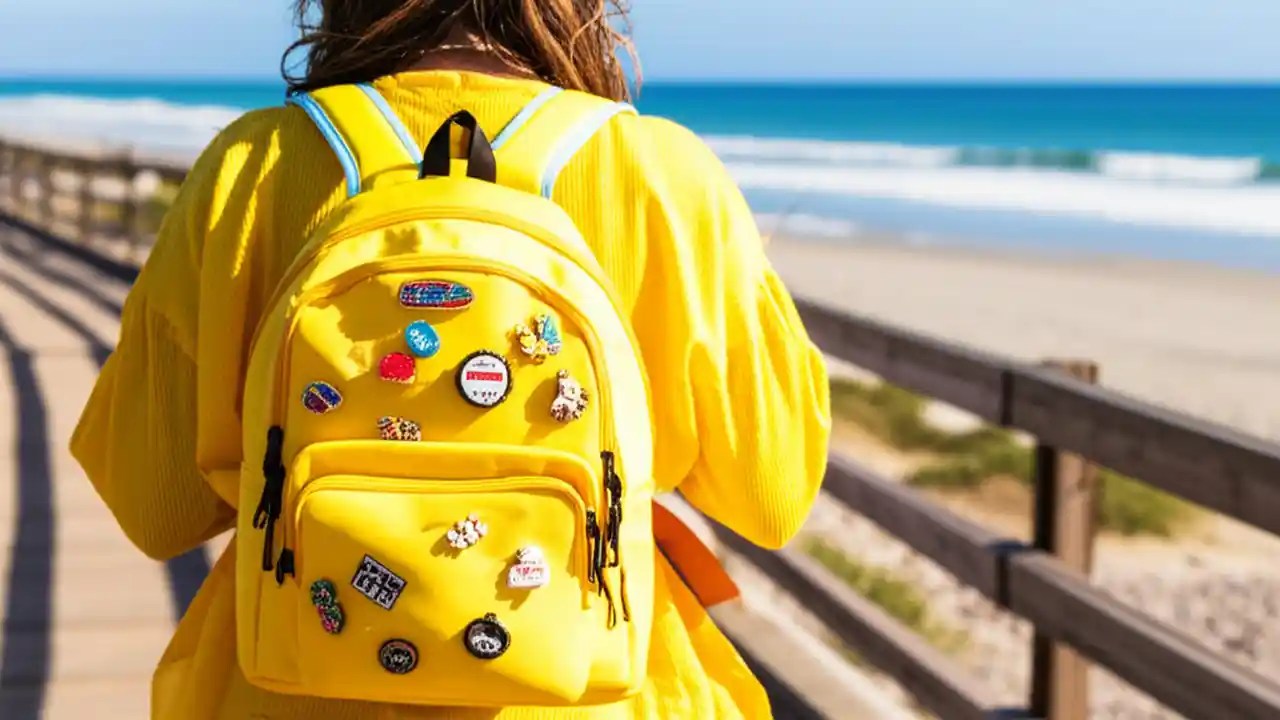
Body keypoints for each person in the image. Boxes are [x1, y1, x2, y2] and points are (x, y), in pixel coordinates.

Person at [71, 1, 831, 718]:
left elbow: (155, 504)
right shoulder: (660, 171)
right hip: (588, 689)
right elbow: (769, 497)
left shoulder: (254, 165)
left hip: (295, 684)